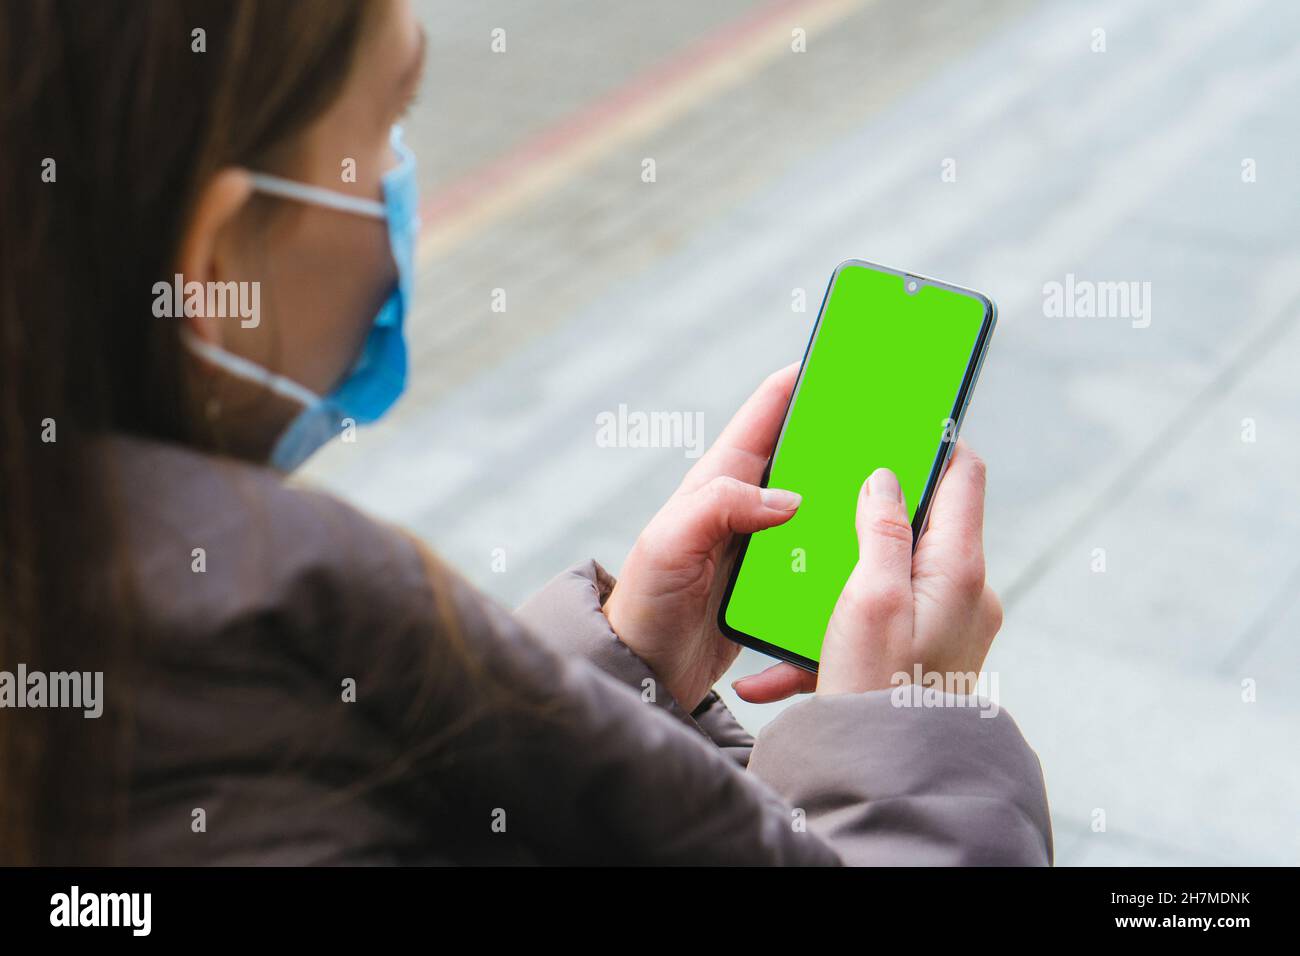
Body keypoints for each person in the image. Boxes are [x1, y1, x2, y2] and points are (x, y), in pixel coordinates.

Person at [0, 0, 1050, 865]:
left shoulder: (121, 631)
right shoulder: (255, 699)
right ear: (220, 267)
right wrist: (913, 751)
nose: (406, 187)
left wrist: (618, 671)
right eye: (388, 124)